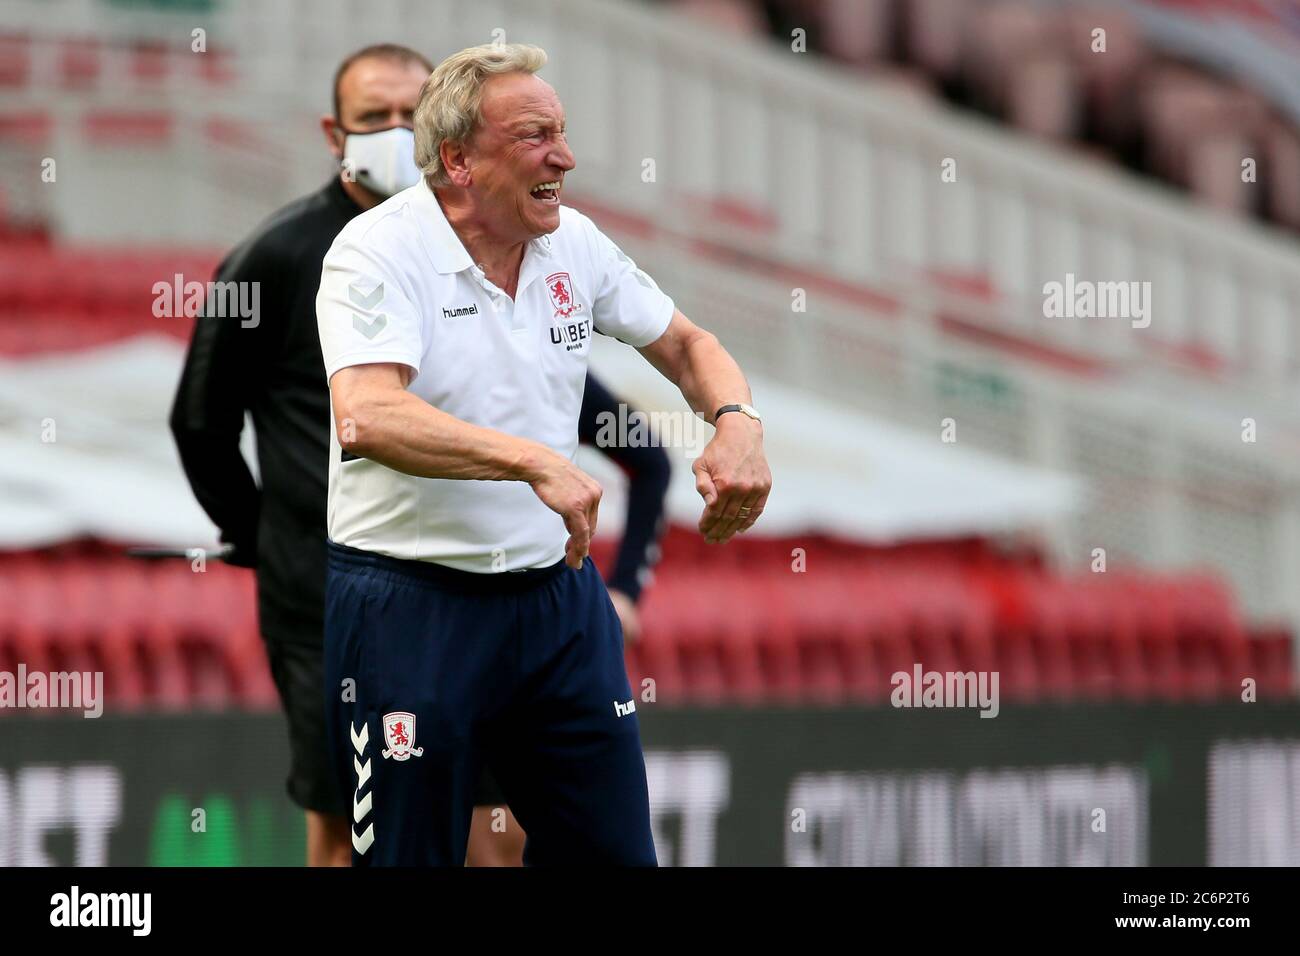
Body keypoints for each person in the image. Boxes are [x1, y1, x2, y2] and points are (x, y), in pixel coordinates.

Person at [317, 42, 771, 867]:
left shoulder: (576, 244)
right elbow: (367, 415)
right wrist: (530, 461)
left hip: (556, 605)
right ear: (457, 159)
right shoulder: (375, 250)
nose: (564, 157)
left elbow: (685, 343)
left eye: (561, 132)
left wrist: (737, 419)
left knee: (616, 858)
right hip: (411, 607)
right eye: (535, 136)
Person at [169, 43, 434, 867]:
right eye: (373, 118)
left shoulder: (466, 248)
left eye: (413, 117)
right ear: (333, 131)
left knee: (485, 830)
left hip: (454, 592)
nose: (396, 132)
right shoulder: (275, 256)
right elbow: (200, 424)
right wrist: (267, 537)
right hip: (327, 605)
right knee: (347, 834)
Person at [465, 374, 671, 866]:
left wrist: (625, 591)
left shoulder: (550, 360)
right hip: (430, 620)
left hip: (534, 626)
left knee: (505, 840)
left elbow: (651, 462)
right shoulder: (412, 356)